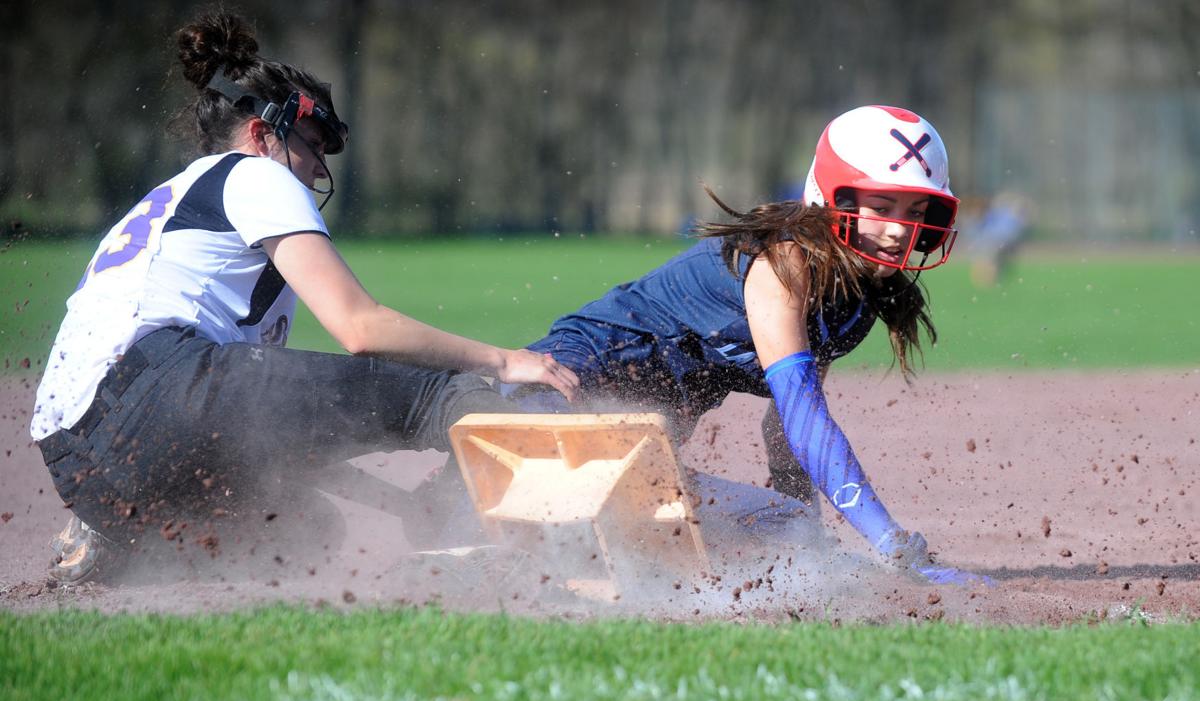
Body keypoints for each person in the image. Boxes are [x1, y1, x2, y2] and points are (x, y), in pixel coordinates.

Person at [30, 11, 578, 586]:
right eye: (313, 146)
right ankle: (512, 546)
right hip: (160, 394)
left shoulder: (176, 204)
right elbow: (359, 328)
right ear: (263, 134)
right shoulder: (254, 174)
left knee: (307, 529)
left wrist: (401, 506)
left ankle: (121, 554)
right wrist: (503, 360)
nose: (318, 168)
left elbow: (265, 428)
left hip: (84, 466)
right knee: (448, 392)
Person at [511, 105, 986, 586]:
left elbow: (785, 432)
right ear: (831, 198)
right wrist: (893, 547)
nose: (899, 229)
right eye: (881, 208)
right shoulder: (786, 262)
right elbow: (807, 425)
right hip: (559, 391)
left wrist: (809, 542)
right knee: (552, 511)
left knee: (785, 533)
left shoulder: (852, 299)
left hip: (628, 441)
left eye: (916, 212)